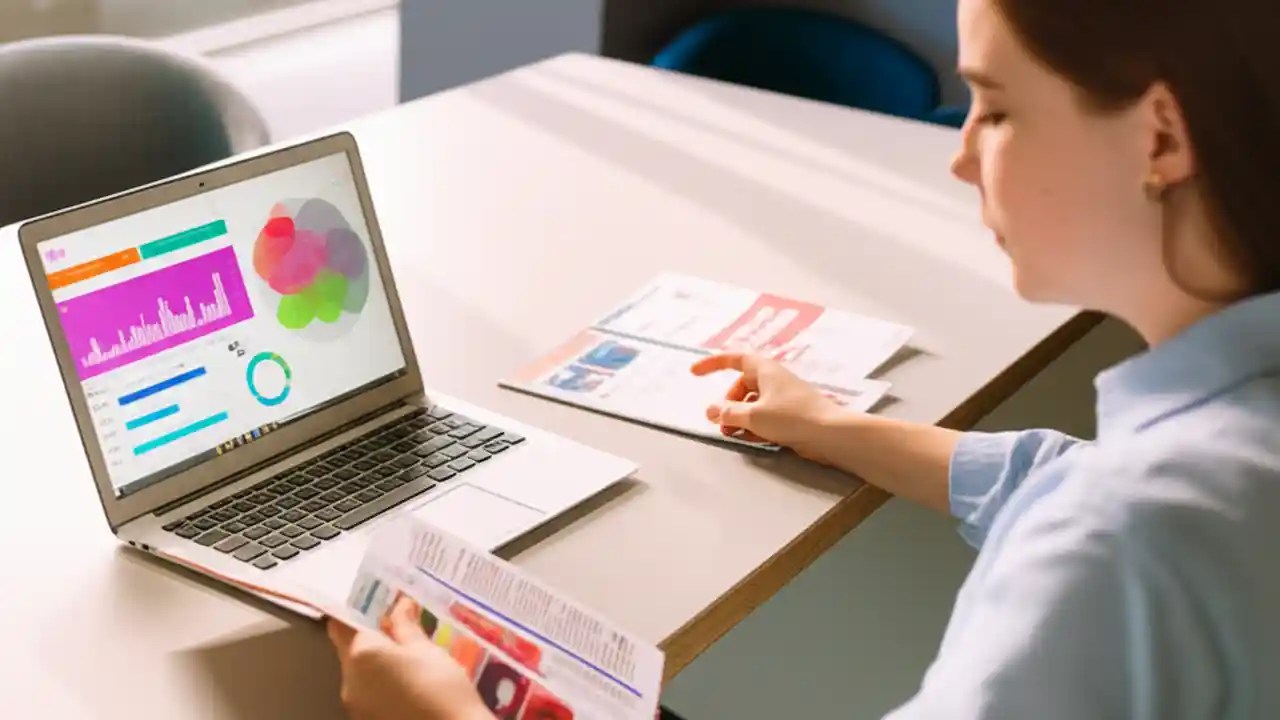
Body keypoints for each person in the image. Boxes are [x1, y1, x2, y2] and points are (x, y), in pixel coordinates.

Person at [328, 0, 1280, 716]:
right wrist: (838, 429)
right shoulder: (1216, 457)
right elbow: (1068, 477)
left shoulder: (1121, 546)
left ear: (1160, 136)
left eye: (994, 111)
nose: (959, 158)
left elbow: (1107, 510)